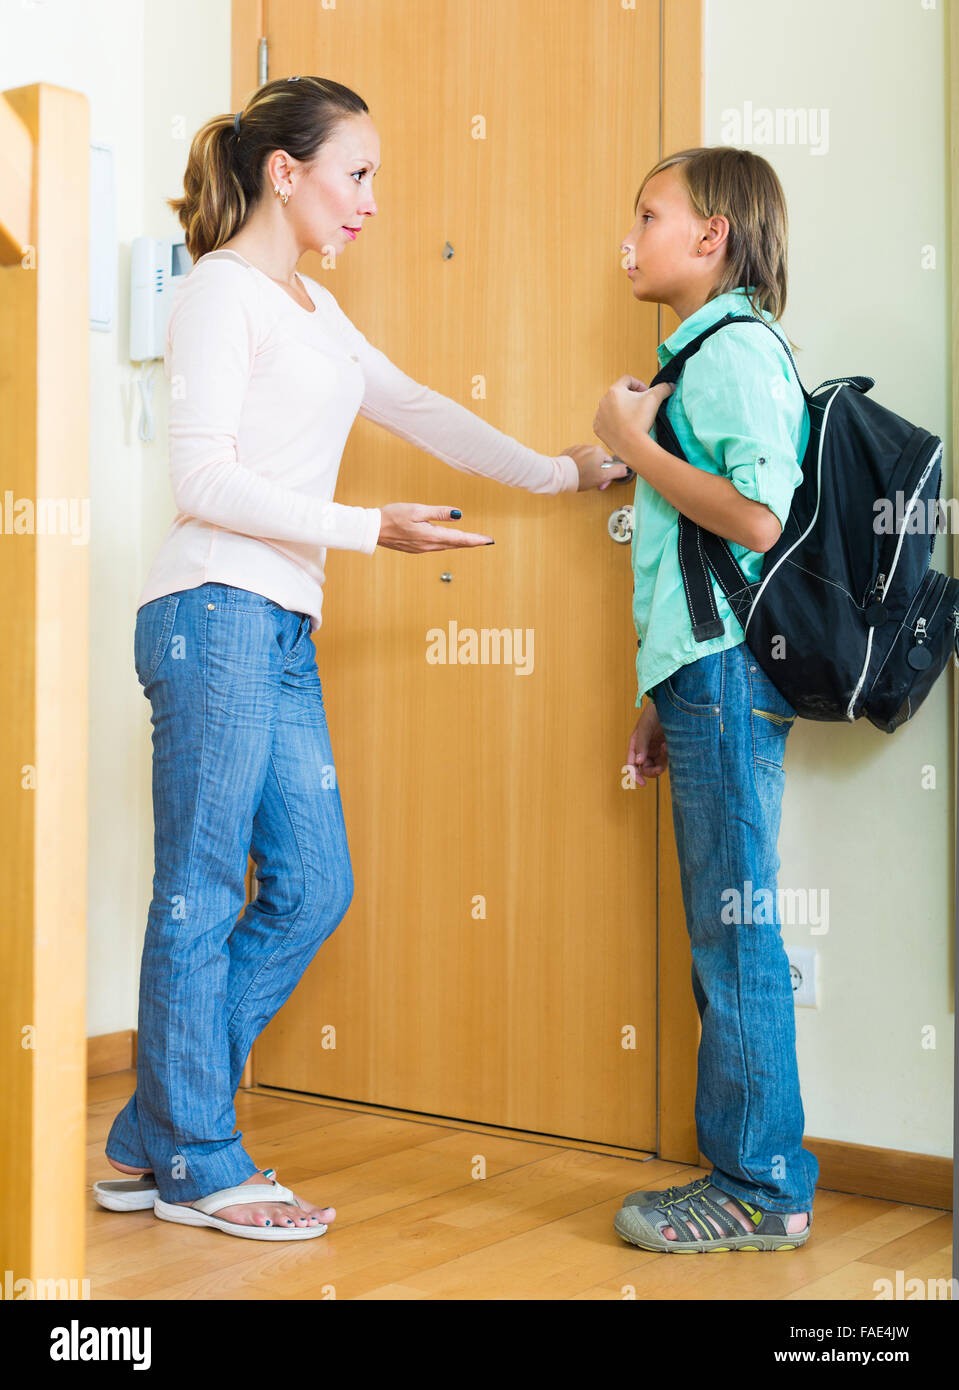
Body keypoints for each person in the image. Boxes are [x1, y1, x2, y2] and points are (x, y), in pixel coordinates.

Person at [99, 75, 626, 1241]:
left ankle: (150, 1136)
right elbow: (203, 481)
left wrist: (561, 469)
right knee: (196, 892)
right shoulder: (218, 296)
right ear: (285, 173)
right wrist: (366, 527)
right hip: (211, 610)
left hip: (277, 622)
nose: (372, 203)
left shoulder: (310, 310)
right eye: (357, 174)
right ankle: (196, 1155)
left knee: (312, 885)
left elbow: (422, 407)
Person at [594, 146, 818, 1252]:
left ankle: (758, 1185)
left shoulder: (729, 353)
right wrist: (659, 690)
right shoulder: (697, 355)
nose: (627, 237)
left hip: (729, 674)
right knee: (724, 931)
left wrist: (628, 443)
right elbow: (692, 557)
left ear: (710, 237)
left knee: (733, 934)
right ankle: (751, 1174)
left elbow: (756, 518)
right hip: (706, 673)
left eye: (647, 214)